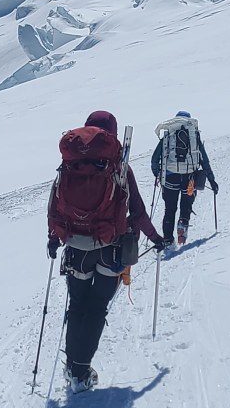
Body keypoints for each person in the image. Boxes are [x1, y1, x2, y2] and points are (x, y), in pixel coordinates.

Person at [46, 110, 165, 391]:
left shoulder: (69, 166)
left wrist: (54, 238)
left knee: (77, 306)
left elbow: (54, 204)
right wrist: (155, 238)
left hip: (75, 249)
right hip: (110, 250)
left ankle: (74, 366)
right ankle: (80, 371)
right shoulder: (119, 168)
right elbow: (136, 212)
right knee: (97, 308)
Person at [149, 110, 217, 248]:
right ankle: (183, 224)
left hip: (170, 179)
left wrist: (159, 175)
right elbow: (204, 161)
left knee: (169, 209)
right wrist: (212, 180)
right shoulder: (194, 137)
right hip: (189, 178)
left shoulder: (168, 137)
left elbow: (154, 160)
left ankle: (168, 241)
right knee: (186, 205)